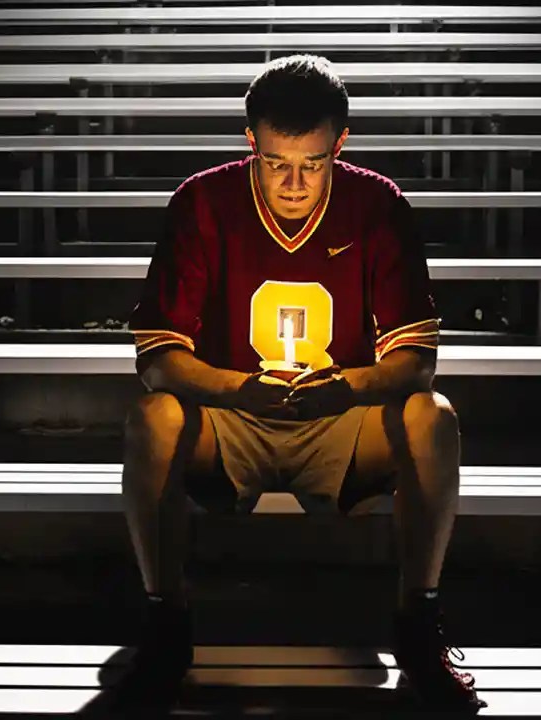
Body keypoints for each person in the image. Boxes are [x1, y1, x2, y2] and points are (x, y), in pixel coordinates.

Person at [116, 54, 483, 713]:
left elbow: (418, 361)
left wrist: (346, 388)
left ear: (340, 145)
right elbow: (156, 358)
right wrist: (235, 390)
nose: (292, 183)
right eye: (275, 162)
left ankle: (418, 625)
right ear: (249, 141)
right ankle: (165, 625)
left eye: (312, 164)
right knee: (152, 417)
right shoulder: (203, 200)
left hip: (338, 420)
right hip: (234, 419)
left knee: (434, 415)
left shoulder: (377, 203)